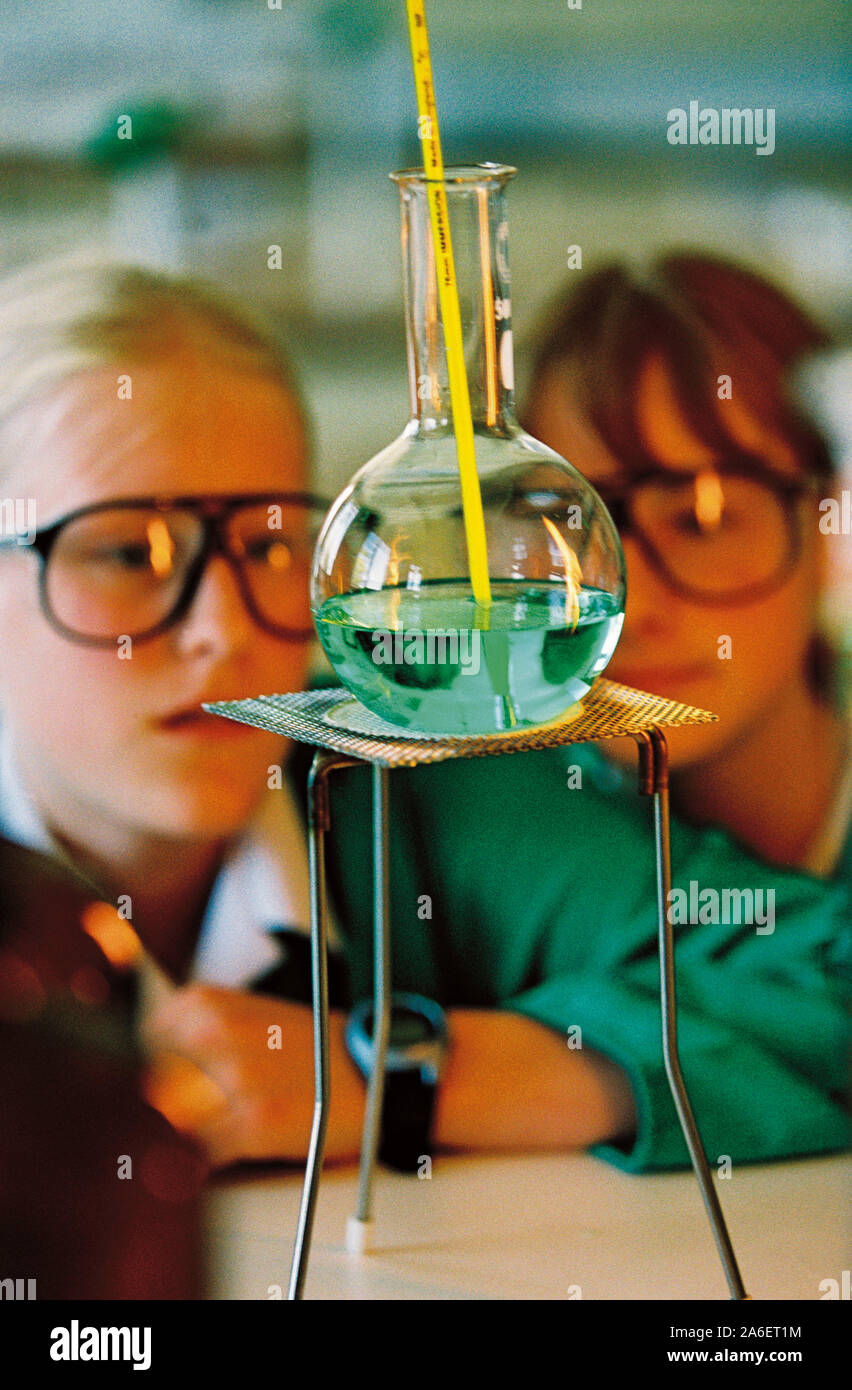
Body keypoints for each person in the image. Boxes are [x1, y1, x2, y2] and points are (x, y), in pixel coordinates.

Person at [321, 253, 851, 1171]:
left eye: (705, 516)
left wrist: (443, 1080)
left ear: (830, 520)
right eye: (573, 527)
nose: (631, 603)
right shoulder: (472, 798)